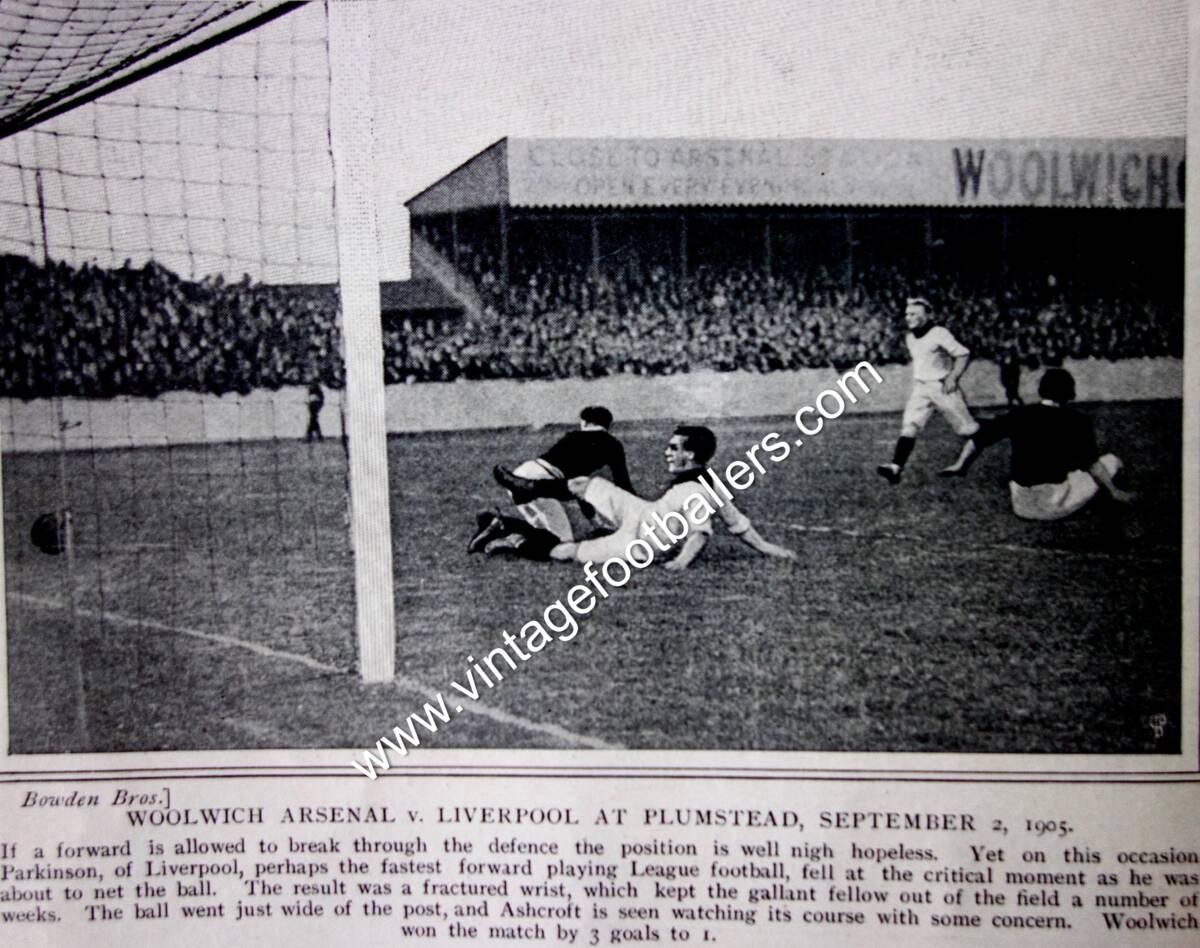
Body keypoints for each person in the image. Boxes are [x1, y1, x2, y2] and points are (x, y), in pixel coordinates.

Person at [475, 425, 796, 570]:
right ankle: (528, 488)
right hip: (644, 514)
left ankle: (510, 534)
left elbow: (701, 533)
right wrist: (769, 547)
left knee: (563, 553)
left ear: (692, 454)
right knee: (589, 484)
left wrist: (681, 562)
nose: (667, 452)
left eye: (674, 448)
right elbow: (738, 524)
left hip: (642, 541)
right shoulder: (707, 481)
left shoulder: (699, 490)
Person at [939, 368, 1135, 521]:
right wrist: (1115, 491)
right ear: (1071, 392)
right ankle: (1114, 530)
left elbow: (979, 437)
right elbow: (1092, 464)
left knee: (1078, 473)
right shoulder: (1077, 420)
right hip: (1054, 504)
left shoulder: (1020, 413)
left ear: (1042, 390)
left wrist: (961, 466)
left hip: (1021, 504)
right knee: (1112, 462)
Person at [469, 405, 633, 549]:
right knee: (562, 545)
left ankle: (500, 527)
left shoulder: (573, 436)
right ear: (608, 425)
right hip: (542, 481)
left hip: (524, 471)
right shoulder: (612, 445)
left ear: (584, 422)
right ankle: (507, 530)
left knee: (543, 533)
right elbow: (622, 483)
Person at [877, 296, 979, 483]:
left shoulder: (939, 333)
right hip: (921, 387)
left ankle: (1004, 430)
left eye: (914, 314)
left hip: (941, 387)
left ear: (927, 315)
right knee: (910, 426)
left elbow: (963, 354)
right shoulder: (910, 338)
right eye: (907, 314)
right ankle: (895, 468)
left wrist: (953, 377)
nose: (908, 317)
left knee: (968, 430)